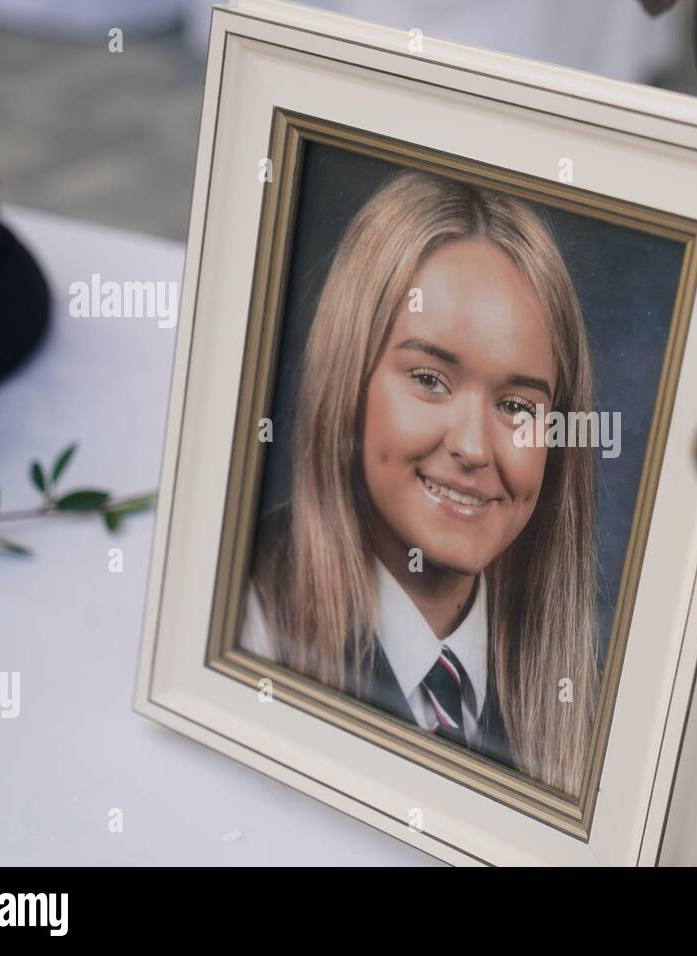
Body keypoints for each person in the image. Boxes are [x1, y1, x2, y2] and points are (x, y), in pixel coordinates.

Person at [241, 170, 599, 797]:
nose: (471, 446)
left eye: (518, 407)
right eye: (430, 379)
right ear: (348, 381)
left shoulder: (588, 697)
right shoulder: (248, 623)